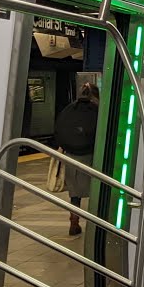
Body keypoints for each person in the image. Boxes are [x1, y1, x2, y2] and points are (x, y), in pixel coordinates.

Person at [54, 82, 100, 236]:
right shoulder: (98, 111)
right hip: (91, 155)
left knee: (74, 193)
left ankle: (74, 222)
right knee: (96, 190)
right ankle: (97, 225)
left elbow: (58, 131)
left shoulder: (69, 109)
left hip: (71, 156)